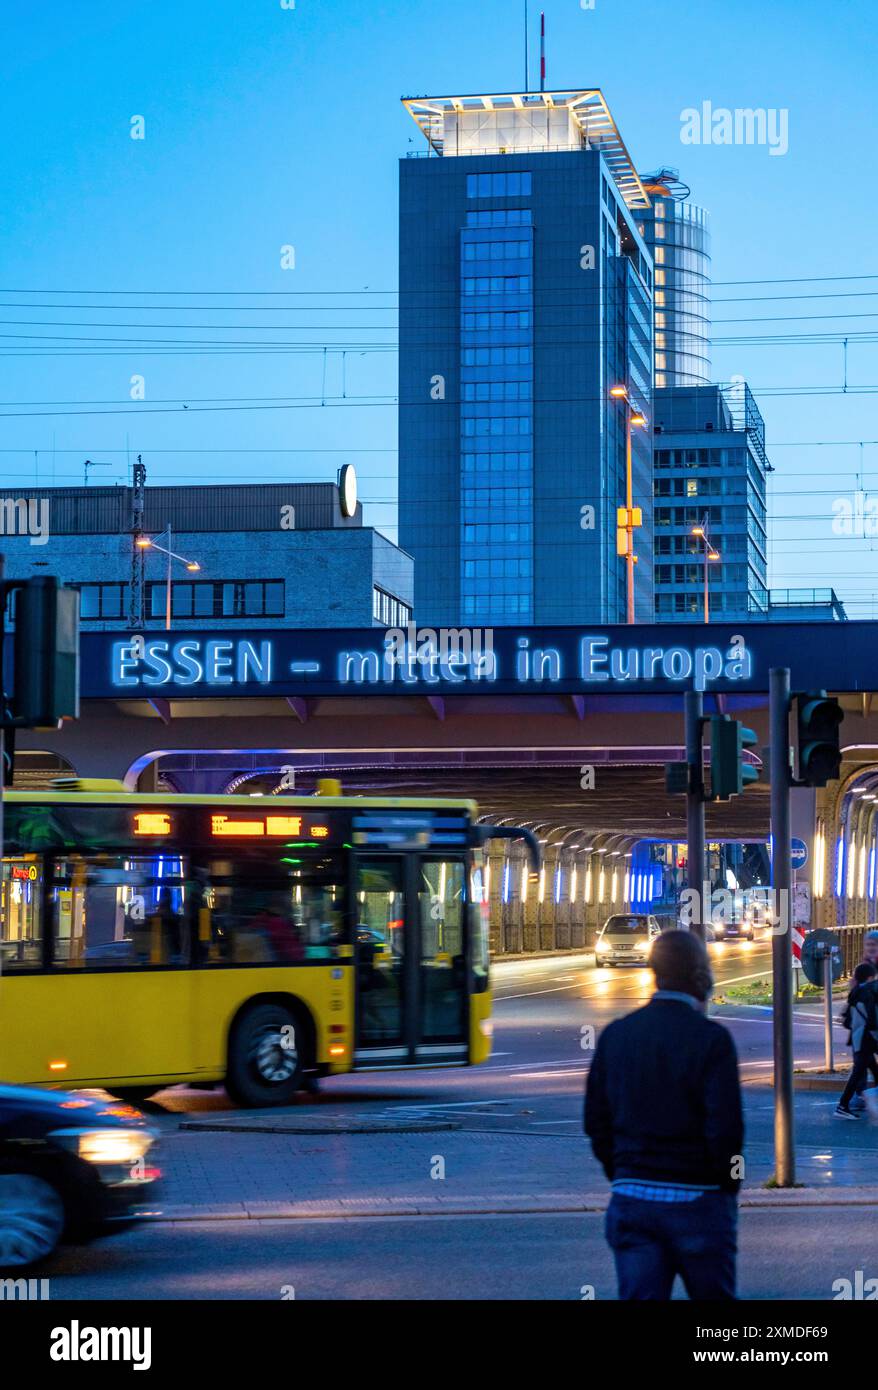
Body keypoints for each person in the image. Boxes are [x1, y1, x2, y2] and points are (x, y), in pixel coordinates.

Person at [584, 929, 743, 1301]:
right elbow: (727, 1131)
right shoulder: (711, 1040)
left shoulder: (617, 1036)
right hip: (699, 1199)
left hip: (633, 1198)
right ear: (701, 977)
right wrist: (726, 1187)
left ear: (655, 971)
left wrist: (623, 1171)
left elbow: (595, 1122)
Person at [836, 961, 878, 1119]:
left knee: (873, 1071)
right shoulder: (867, 994)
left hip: (859, 1039)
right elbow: (873, 1020)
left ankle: (844, 1105)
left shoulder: (856, 992)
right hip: (865, 1040)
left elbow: (848, 1020)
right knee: (858, 1073)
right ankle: (842, 1106)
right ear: (869, 978)